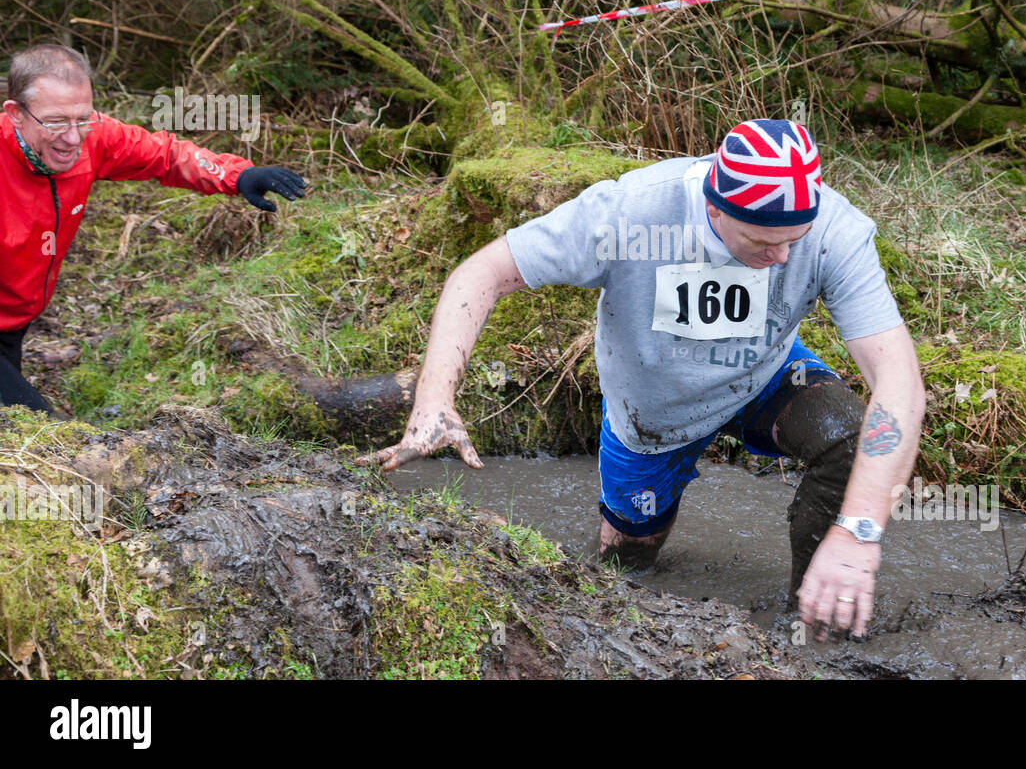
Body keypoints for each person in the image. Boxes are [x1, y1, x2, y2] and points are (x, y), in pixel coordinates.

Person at [358, 118, 926, 639]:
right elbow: (481, 274)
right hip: (652, 415)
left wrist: (858, 533)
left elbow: (898, 380)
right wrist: (435, 399)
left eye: (793, 241)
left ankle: (811, 620)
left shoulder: (835, 230)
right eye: (761, 242)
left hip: (762, 379)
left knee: (848, 440)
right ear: (715, 207)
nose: (781, 258)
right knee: (629, 559)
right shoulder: (628, 213)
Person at [1, 43, 307, 413]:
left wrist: (239, 174)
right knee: (47, 438)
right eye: (55, 122)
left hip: (15, 320)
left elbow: (165, 155)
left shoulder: (92, 139)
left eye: (82, 118)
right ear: (16, 115)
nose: (72, 137)